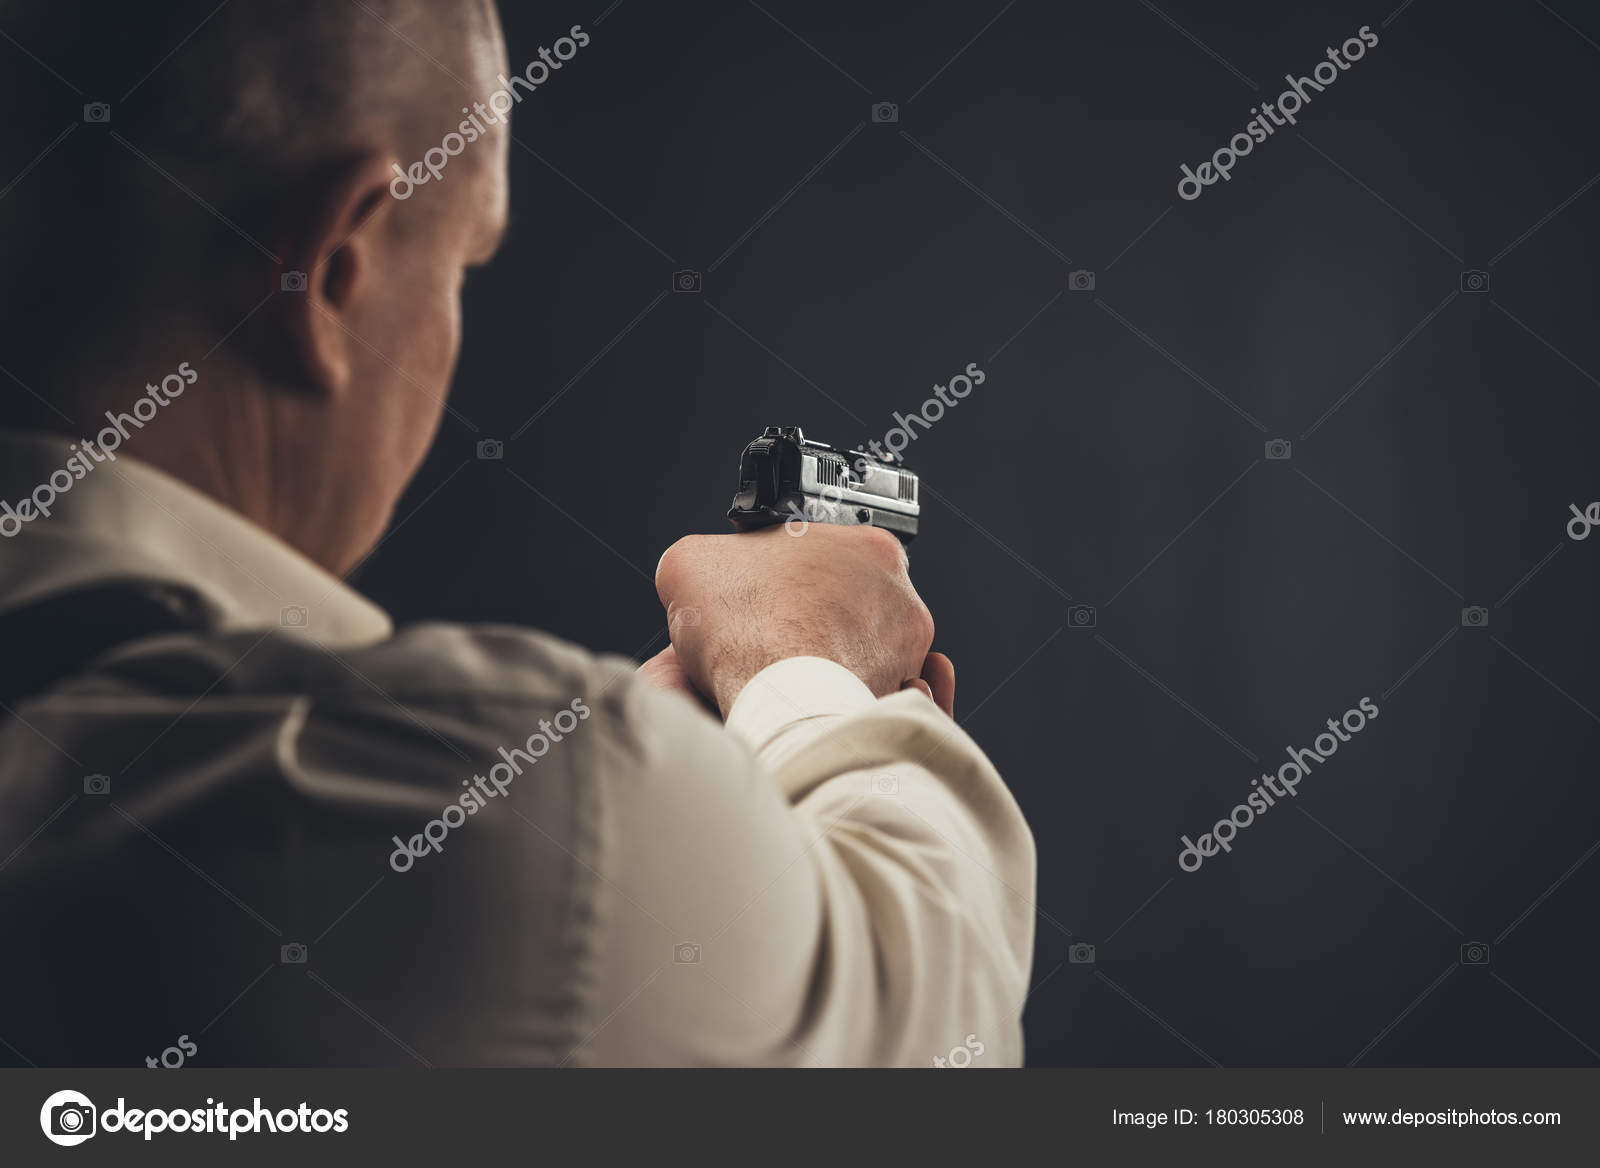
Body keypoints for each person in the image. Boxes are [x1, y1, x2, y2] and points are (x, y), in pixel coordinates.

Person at [0, 0, 1035, 1066]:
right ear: (334, 271)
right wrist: (808, 673)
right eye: (460, 262)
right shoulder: (495, 811)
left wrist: (678, 824)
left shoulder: (482, 800)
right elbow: (925, 1024)